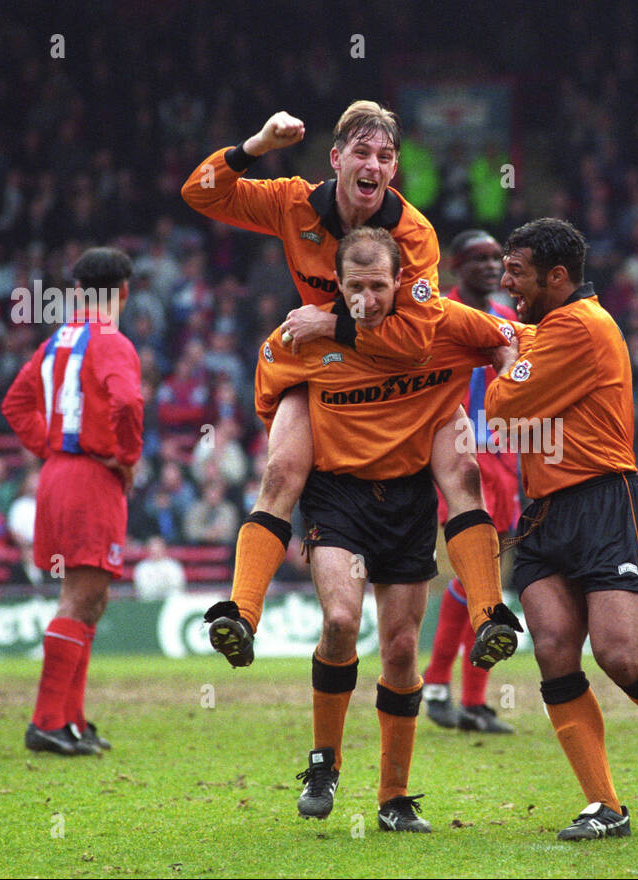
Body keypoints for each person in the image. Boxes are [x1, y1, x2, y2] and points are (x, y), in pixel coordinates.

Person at [181, 101, 515, 668]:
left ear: (394, 169)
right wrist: (256, 145)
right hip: (319, 363)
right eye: (361, 152)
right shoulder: (292, 202)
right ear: (336, 159)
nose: (373, 165)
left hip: (389, 354)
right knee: (282, 470)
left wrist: (329, 320)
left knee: (463, 470)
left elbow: (413, 341)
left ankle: (491, 615)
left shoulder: (414, 234)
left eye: (385, 156)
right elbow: (201, 193)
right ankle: (241, 613)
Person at [242, 228, 525, 833]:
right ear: (335, 286)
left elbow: (513, 344)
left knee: (400, 649)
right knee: (341, 620)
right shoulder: (299, 335)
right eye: (354, 288)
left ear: (400, 281)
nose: (366, 299)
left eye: (377, 286)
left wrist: (504, 394)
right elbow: (271, 399)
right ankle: (324, 763)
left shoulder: (446, 323)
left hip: (407, 498)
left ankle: (394, 798)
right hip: (337, 495)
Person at [484, 218, 638, 841]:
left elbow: (503, 408)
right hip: (545, 513)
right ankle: (604, 806)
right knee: (555, 649)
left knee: (616, 652)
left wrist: (508, 355)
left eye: (518, 272)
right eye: (504, 268)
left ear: (558, 277)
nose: (507, 281)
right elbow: (516, 372)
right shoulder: (552, 326)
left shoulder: (581, 329)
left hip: (605, 503)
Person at [1, 247, 143, 757]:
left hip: (58, 475)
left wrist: (49, 447)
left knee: (91, 598)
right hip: (91, 477)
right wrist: (126, 456)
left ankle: (72, 722)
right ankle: (46, 723)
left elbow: (15, 403)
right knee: (81, 598)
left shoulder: (55, 342)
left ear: (79, 291)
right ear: (124, 291)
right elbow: (127, 401)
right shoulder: (113, 342)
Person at [423, 230, 521, 734]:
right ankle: (444, 685)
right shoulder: (441, 314)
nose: (489, 267)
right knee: (469, 579)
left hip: (505, 460)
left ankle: (464, 698)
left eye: (495, 259)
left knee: (488, 584)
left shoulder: (508, 320)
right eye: (477, 259)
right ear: (456, 267)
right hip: (458, 456)